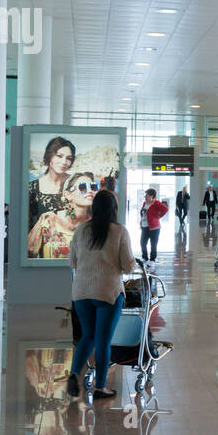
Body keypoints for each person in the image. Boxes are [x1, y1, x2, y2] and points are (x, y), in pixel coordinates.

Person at [66, 190, 136, 401]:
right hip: (108, 292)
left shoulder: (81, 230)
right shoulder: (119, 231)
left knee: (87, 336)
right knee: (104, 340)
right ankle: (101, 387)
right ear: (113, 209)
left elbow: (73, 262)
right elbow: (127, 265)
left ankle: (74, 374)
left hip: (81, 292)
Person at [28, 172, 96, 259]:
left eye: (93, 187)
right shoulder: (48, 222)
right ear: (68, 195)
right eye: (82, 187)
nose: (90, 191)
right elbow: (26, 256)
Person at [28, 136, 76, 231]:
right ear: (49, 155)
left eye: (69, 158)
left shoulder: (76, 184)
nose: (64, 162)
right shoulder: (31, 188)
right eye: (59, 156)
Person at [138, 188, 168, 262]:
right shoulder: (145, 203)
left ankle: (152, 259)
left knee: (153, 245)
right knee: (142, 243)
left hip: (154, 228)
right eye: (145, 195)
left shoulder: (156, 203)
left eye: (147, 195)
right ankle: (145, 257)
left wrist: (159, 216)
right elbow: (143, 214)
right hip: (145, 227)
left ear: (152, 196)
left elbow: (165, 209)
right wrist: (141, 223)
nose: (145, 196)